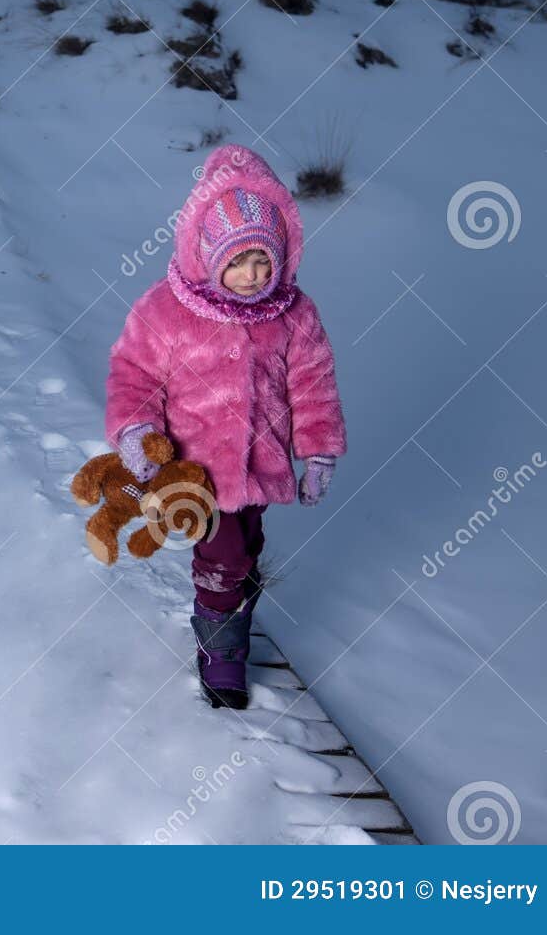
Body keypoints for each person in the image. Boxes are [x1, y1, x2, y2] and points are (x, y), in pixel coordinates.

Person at [105, 144, 346, 709]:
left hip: (261, 463)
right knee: (224, 555)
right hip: (194, 466)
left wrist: (318, 450)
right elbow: (133, 372)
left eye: (262, 260)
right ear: (209, 255)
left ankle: (233, 593)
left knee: (246, 545)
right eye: (237, 262)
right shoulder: (166, 310)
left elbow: (313, 384)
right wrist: (137, 430)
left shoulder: (293, 313)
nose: (251, 275)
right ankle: (221, 654)